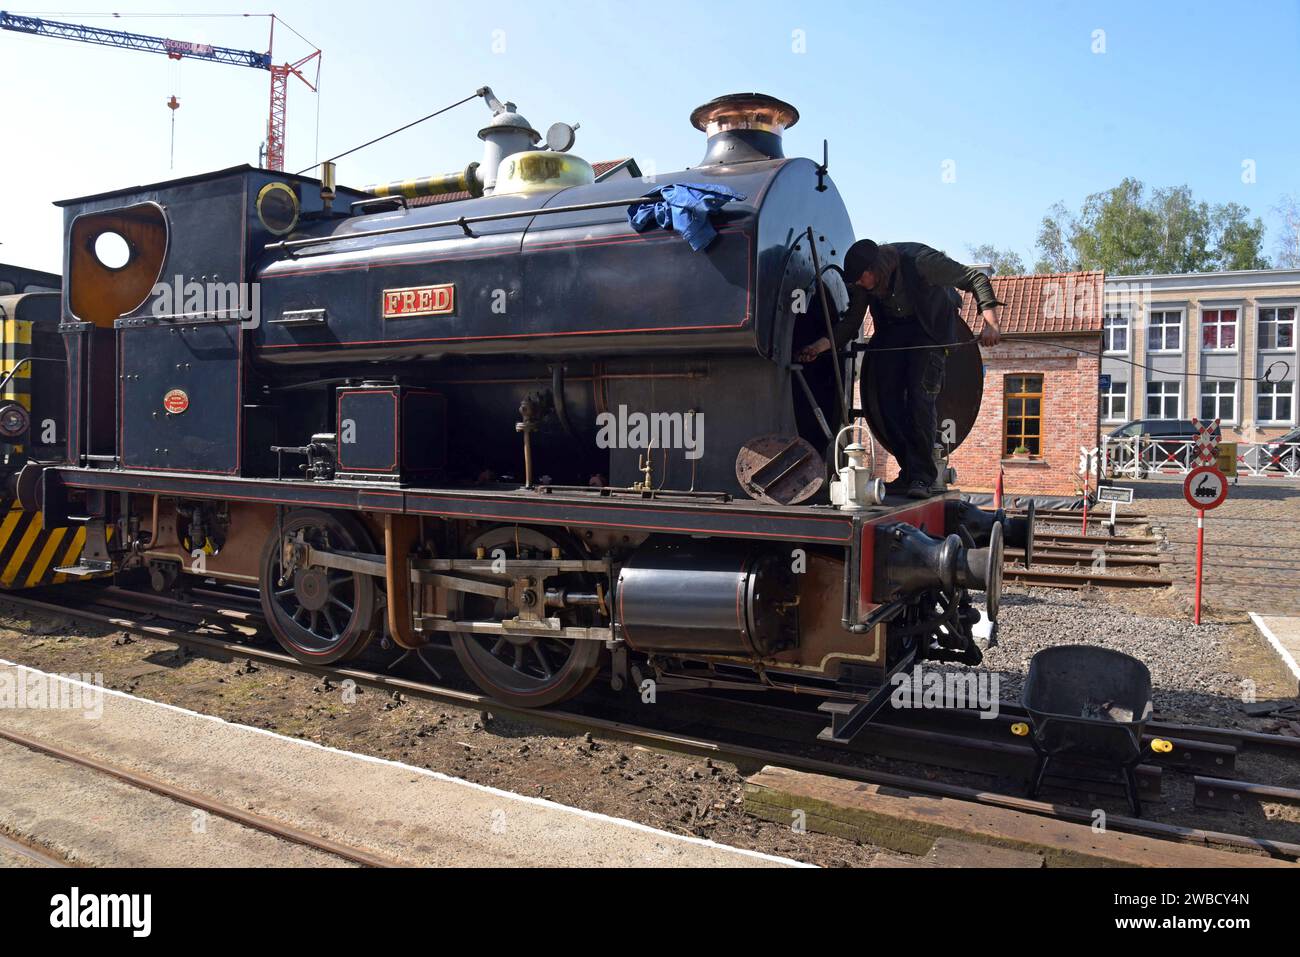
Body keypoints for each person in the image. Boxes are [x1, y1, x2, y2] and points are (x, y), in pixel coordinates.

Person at [799, 240, 1002, 499]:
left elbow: (975, 278)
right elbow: (851, 321)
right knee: (885, 402)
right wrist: (820, 346)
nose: (859, 285)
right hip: (894, 331)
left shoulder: (921, 261)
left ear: (875, 269)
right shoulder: (864, 281)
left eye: (862, 279)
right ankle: (908, 472)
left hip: (930, 331)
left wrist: (991, 324)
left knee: (920, 398)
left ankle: (922, 477)